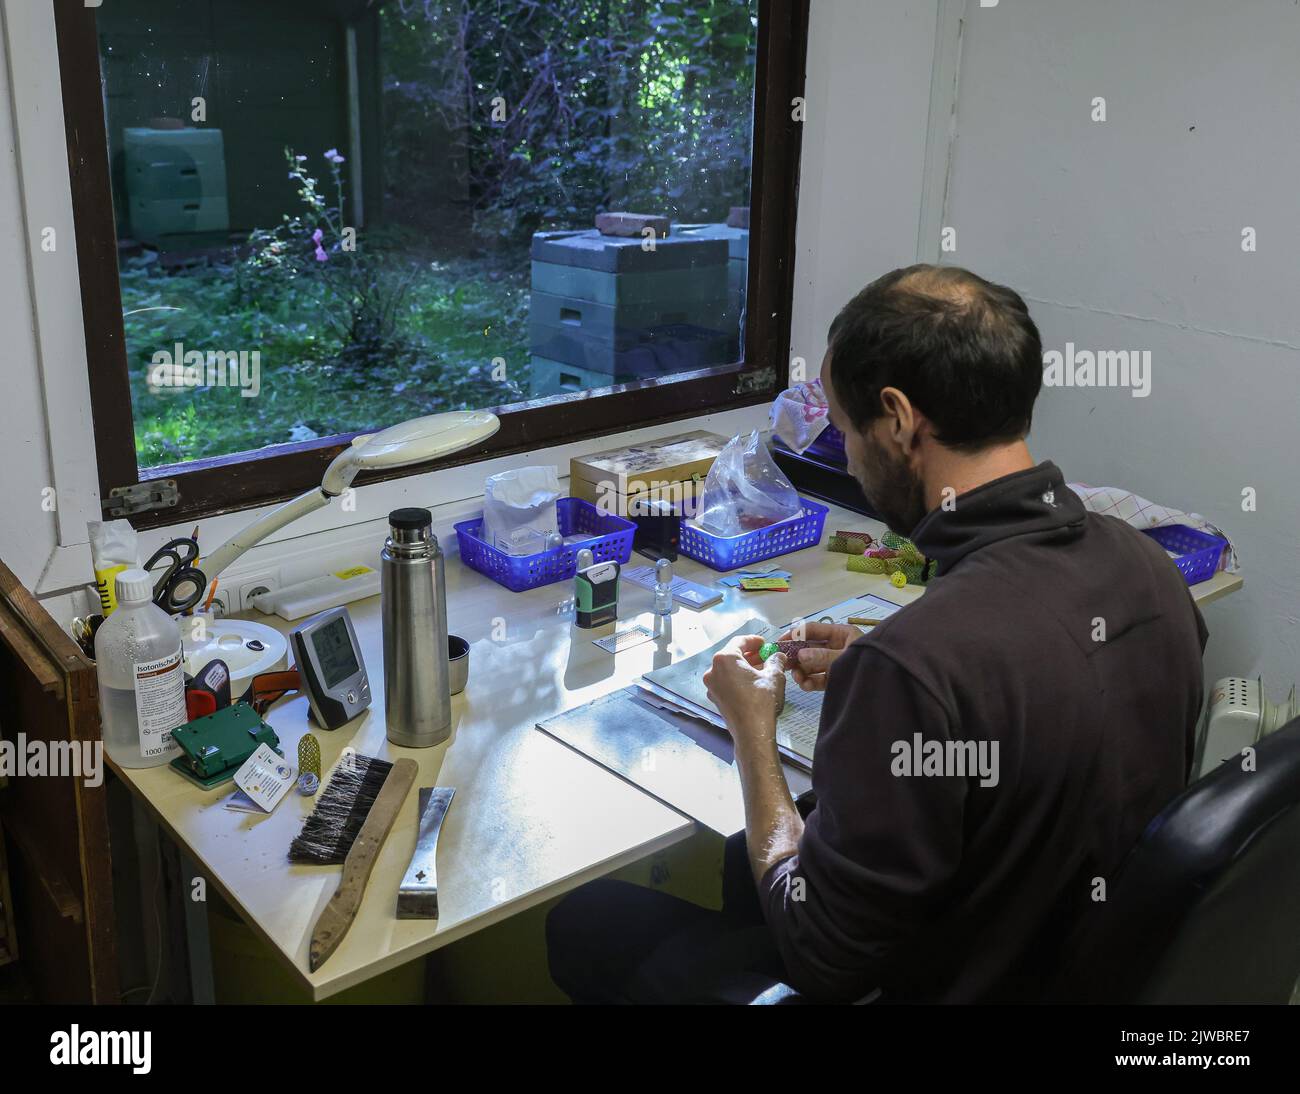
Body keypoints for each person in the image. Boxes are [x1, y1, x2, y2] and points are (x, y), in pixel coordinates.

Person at [546, 264, 1208, 1003]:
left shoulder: (919, 662)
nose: (848, 455)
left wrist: (754, 735)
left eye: (842, 424)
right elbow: (1049, 703)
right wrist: (890, 675)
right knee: (740, 868)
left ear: (896, 418)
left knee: (591, 920)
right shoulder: (1149, 568)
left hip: (923, 981)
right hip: (1062, 963)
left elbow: (822, 955)